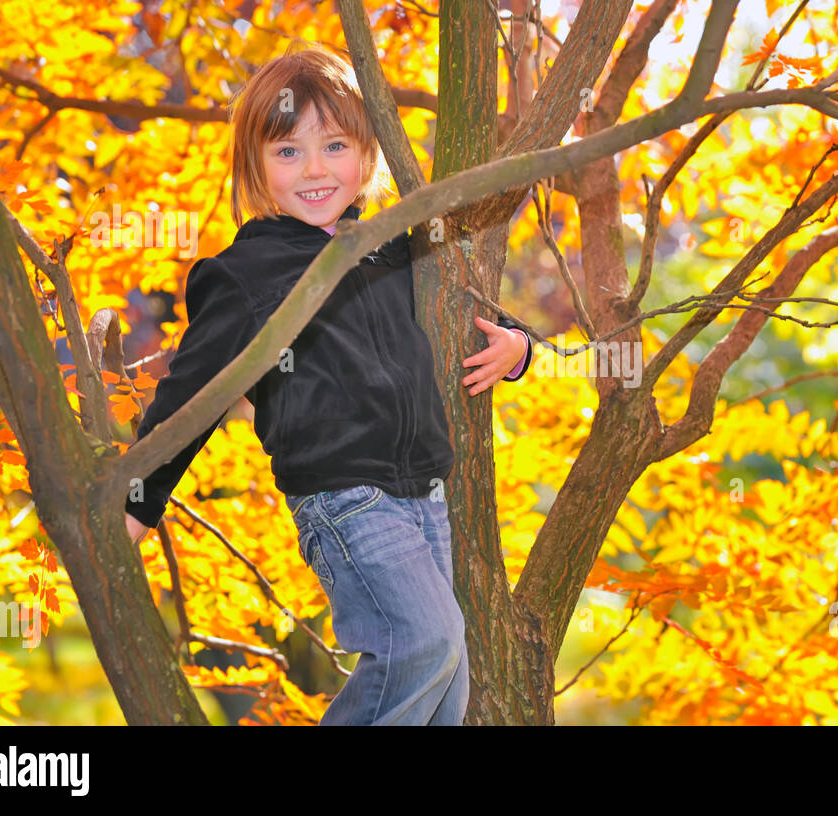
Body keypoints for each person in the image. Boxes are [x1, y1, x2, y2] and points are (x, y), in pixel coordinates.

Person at [121, 46, 533, 726]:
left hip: (427, 495)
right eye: (288, 152)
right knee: (422, 646)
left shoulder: (394, 244)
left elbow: (466, 311)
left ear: (368, 151)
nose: (315, 169)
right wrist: (137, 505)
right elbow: (190, 398)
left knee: (449, 687)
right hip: (345, 497)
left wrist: (518, 348)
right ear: (254, 165)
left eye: (335, 146)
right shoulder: (247, 273)